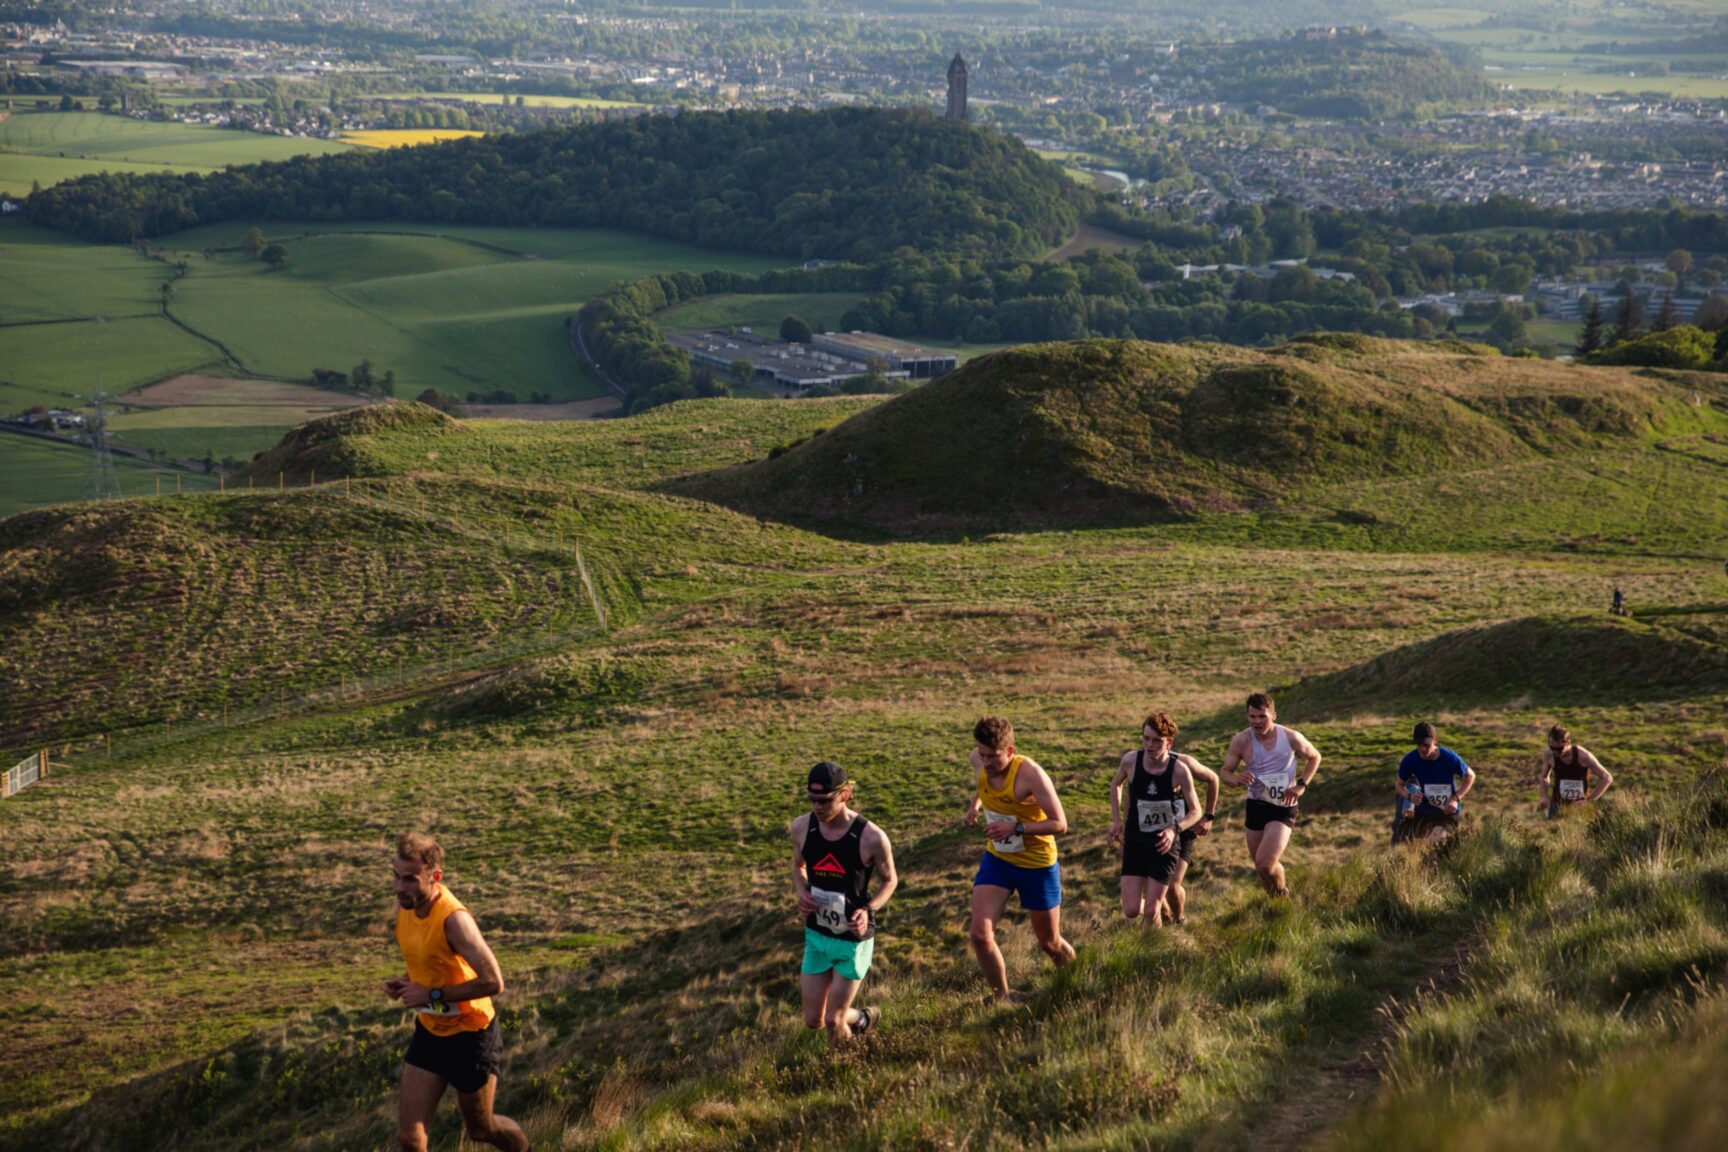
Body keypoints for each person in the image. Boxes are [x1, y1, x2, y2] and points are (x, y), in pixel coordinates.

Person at [386, 833, 528, 1152]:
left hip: (471, 1035)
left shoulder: (454, 920)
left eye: (409, 879)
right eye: (395, 876)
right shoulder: (407, 907)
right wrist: (407, 981)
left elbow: (494, 982)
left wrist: (431, 995)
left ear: (435, 877)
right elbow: (431, 958)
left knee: (481, 1128)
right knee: (409, 1139)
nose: (399, 887)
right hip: (431, 1032)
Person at [965, 715, 1074, 1001]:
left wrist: (1017, 828)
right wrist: (974, 806)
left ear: (1010, 752)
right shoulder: (977, 759)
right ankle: (1003, 997)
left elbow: (1060, 824)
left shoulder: (1030, 774)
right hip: (999, 859)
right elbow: (982, 783)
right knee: (979, 934)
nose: (986, 762)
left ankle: (1076, 983)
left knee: (1049, 943)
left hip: (1037, 864)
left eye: (994, 756)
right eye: (982, 753)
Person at [789, 761, 898, 1047]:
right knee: (814, 1019)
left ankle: (846, 1071)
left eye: (825, 801)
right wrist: (802, 892)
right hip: (817, 936)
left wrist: (868, 910)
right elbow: (798, 866)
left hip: (853, 939)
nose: (817, 807)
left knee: (833, 1020)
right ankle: (862, 1019)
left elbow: (890, 881)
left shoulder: (871, 837)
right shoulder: (801, 828)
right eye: (812, 800)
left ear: (845, 794)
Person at [1109, 712, 1205, 927]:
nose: (1150, 745)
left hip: (1164, 843)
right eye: (1146, 738)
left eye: (1156, 740)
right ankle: (1160, 912)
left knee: (1151, 911)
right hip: (1135, 840)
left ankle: (1153, 949)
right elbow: (1116, 784)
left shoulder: (1179, 770)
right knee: (1131, 910)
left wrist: (1174, 830)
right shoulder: (1131, 761)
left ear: (1168, 742)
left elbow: (1195, 811)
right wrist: (1116, 821)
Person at [1221, 692, 1322, 898]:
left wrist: (1301, 784)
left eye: (1262, 717)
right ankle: (1275, 906)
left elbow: (1314, 757)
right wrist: (1238, 779)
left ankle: (1283, 895)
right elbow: (1225, 774)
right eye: (1252, 717)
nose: (1257, 722)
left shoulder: (1290, 737)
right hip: (1256, 805)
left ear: (1273, 716)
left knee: (1266, 864)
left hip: (1283, 805)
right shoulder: (1241, 741)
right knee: (1260, 868)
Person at [1397, 722, 1476, 843]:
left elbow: (1470, 775)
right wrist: (1409, 796)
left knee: (1434, 842)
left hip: (1446, 814)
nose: (1422, 749)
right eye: (1419, 745)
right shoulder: (1410, 760)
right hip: (1422, 812)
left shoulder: (1449, 758)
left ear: (1435, 740)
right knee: (1411, 846)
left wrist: (1455, 798)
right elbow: (1399, 784)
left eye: (1426, 744)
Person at [1541, 725, 1613, 818]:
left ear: (1568, 743)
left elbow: (1607, 778)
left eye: (1559, 749)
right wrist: (1544, 797)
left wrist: (1589, 800)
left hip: (1580, 808)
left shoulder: (1583, 756)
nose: (1555, 752)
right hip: (1558, 806)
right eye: (1552, 748)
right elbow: (1544, 777)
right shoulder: (1549, 754)